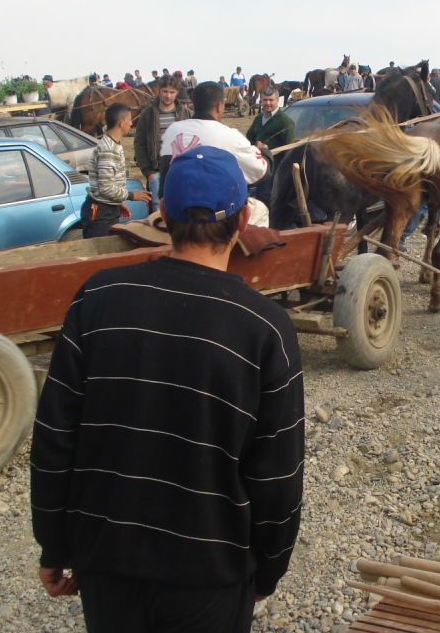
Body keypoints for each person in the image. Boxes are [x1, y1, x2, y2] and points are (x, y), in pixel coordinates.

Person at [31, 145, 304, 633]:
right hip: (210, 577)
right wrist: (269, 568)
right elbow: (277, 474)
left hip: (106, 563)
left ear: (160, 214)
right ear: (243, 219)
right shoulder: (264, 328)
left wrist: (54, 542)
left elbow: (55, 436)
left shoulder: (97, 298)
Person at [159, 81, 270, 226]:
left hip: (173, 209)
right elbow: (260, 171)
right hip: (210, 214)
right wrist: (264, 151)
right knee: (260, 209)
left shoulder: (172, 130)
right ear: (219, 106)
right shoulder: (228, 135)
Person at [79, 102, 151, 238]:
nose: (131, 123)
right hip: (100, 213)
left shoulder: (112, 144)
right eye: (129, 119)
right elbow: (106, 187)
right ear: (121, 122)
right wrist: (130, 195)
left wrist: (119, 202)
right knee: (101, 255)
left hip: (107, 209)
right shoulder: (108, 149)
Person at [134, 73, 193, 213]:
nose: (168, 95)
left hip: (181, 171)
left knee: (182, 209)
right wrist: (148, 172)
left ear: (177, 93)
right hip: (157, 172)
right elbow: (139, 144)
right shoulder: (147, 114)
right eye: (165, 91)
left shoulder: (186, 114)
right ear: (159, 91)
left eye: (172, 92)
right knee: (158, 214)